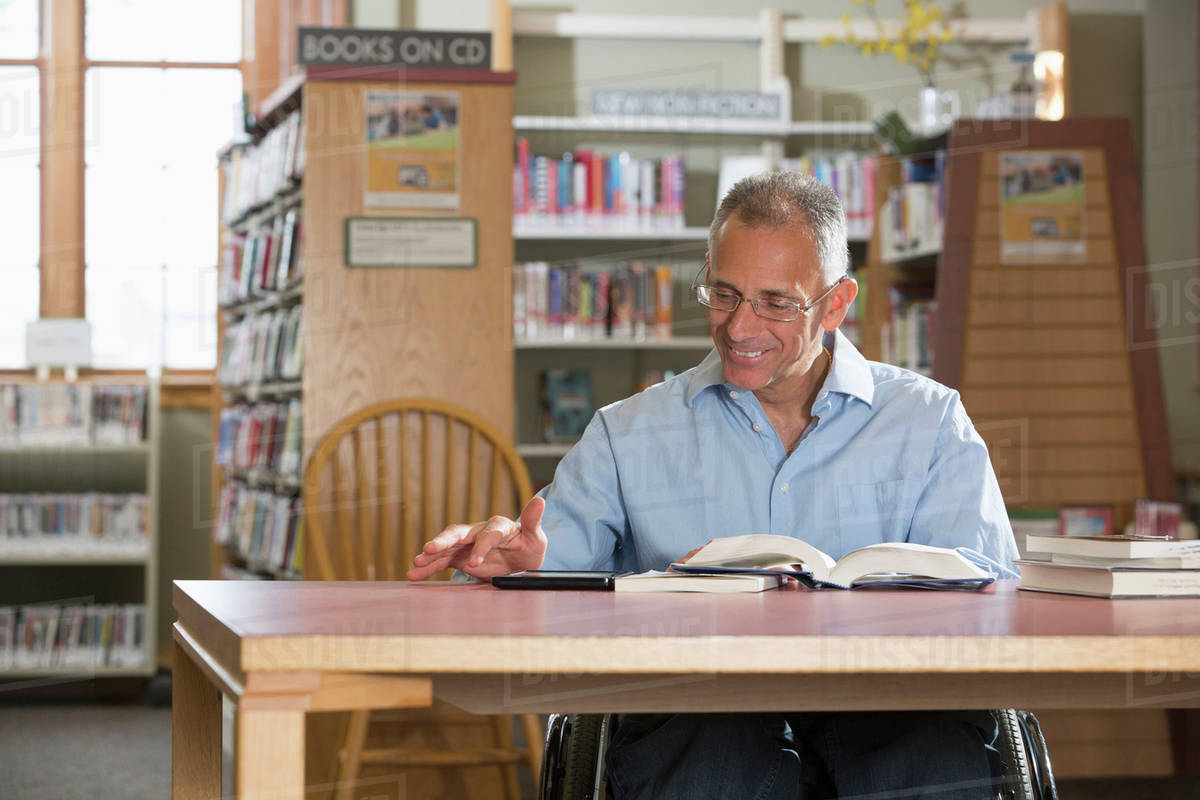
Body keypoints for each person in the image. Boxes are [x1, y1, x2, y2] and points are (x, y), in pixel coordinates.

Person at [408, 171, 1020, 799]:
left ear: (836, 304)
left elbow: (994, 595)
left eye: (776, 303)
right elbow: (547, 560)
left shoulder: (930, 420)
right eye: (724, 294)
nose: (740, 327)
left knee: (929, 763)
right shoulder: (628, 432)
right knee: (708, 761)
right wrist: (520, 561)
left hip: (891, 701)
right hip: (697, 708)